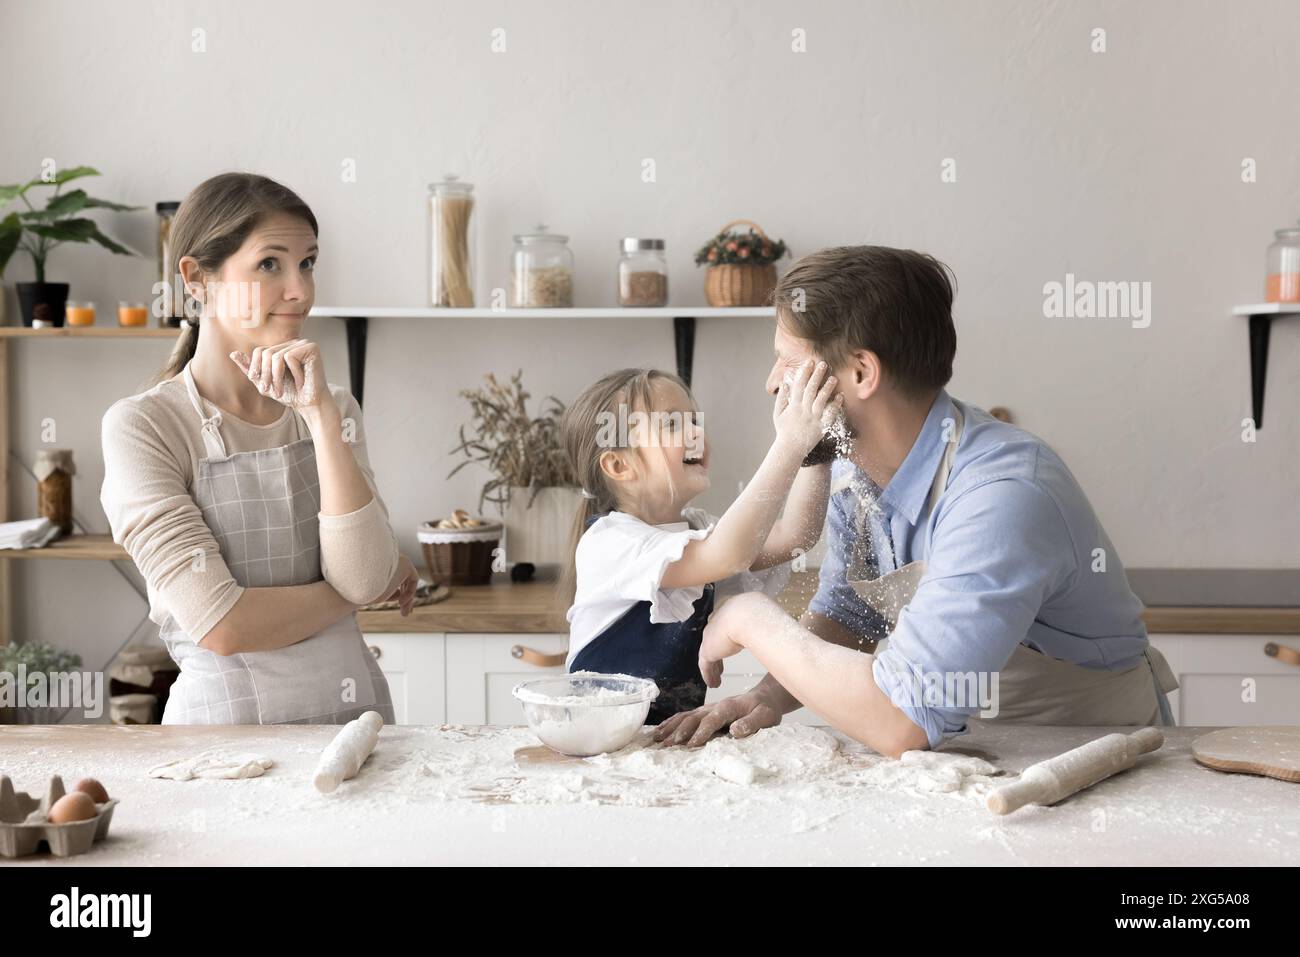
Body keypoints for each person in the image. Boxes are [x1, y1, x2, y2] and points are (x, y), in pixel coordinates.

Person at [655, 245, 1178, 757]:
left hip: (1092, 751)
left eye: (788, 363)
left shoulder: (1004, 497)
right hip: (983, 746)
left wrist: (751, 618)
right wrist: (766, 697)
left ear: (861, 373)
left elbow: (905, 719)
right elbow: (851, 615)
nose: (772, 385)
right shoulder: (853, 469)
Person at [100, 172, 418, 724]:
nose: (300, 290)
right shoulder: (144, 427)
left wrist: (317, 415)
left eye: (308, 263)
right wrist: (361, 588)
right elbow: (223, 625)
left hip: (360, 729)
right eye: (270, 264)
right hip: (224, 747)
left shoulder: (334, 409)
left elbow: (366, 576)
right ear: (198, 279)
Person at [560, 364, 840, 722]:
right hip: (597, 742)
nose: (695, 431)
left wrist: (816, 451)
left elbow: (795, 538)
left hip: (664, 742)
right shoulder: (607, 543)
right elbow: (729, 554)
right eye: (672, 424)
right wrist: (789, 443)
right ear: (619, 466)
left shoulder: (698, 528)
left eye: (694, 420)